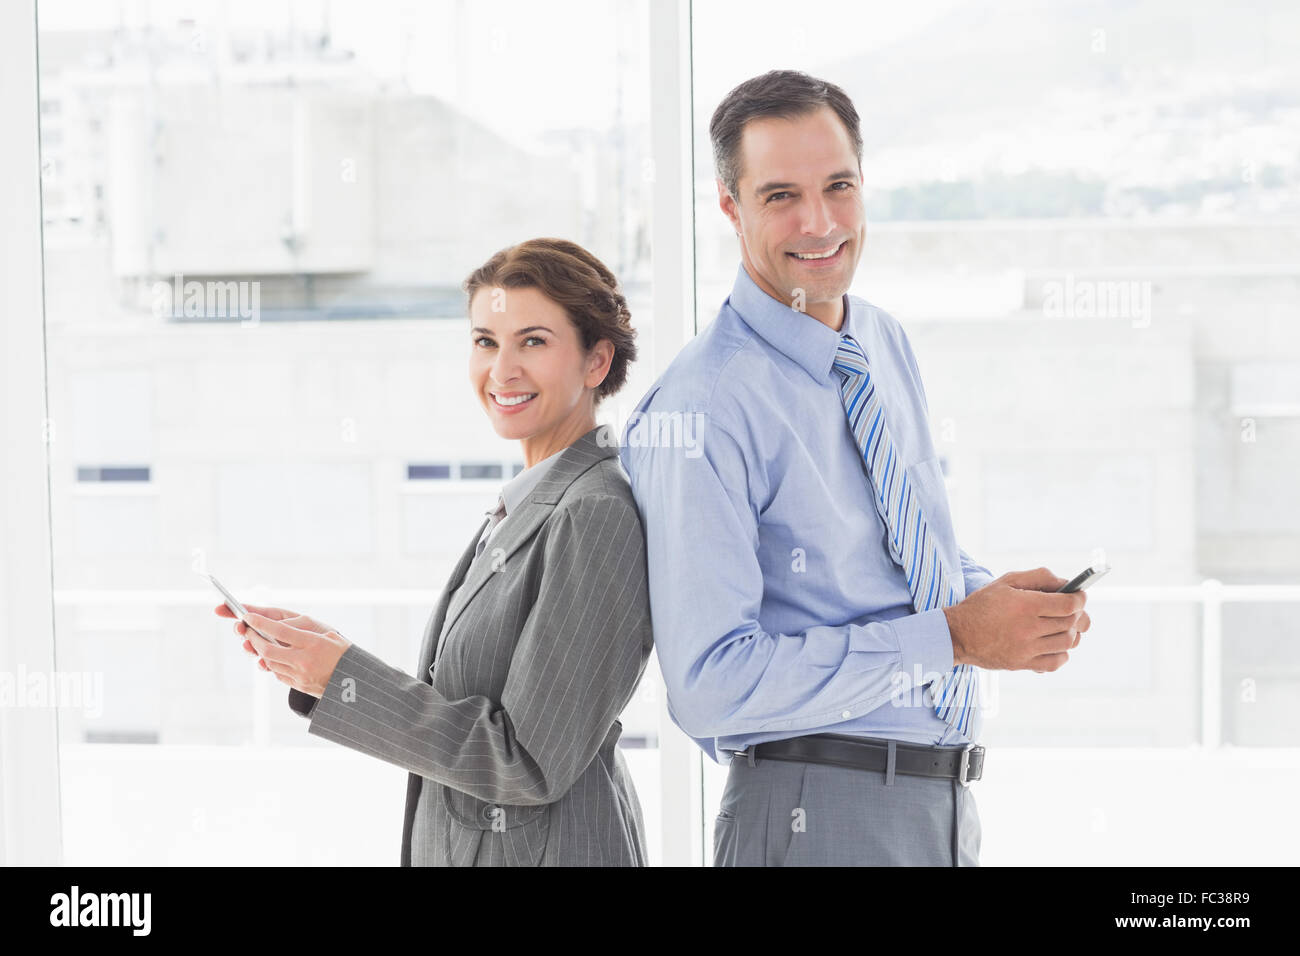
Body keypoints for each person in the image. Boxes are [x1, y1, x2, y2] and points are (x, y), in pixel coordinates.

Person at [619, 70, 1091, 866]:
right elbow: (709, 685)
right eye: (780, 196)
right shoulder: (701, 407)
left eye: (838, 185)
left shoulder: (880, 342)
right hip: (816, 813)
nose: (820, 222)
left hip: (940, 807)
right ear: (730, 209)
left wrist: (992, 604)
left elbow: (894, 560)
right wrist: (951, 638)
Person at [215, 237, 654, 866]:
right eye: (485, 341)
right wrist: (326, 660)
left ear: (596, 361)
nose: (502, 370)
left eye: (533, 341)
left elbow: (526, 763)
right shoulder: (531, 502)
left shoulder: (593, 515)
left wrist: (342, 680)